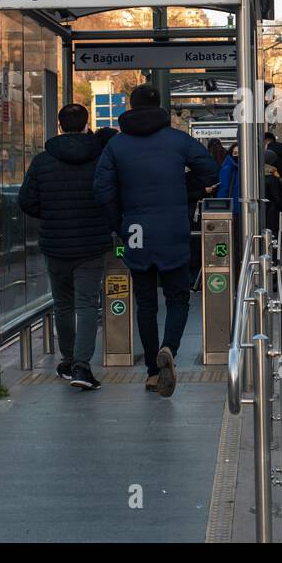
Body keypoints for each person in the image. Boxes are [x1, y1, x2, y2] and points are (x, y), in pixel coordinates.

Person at [94, 84, 218, 397]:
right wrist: (181, 187)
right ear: (159, 105)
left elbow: (103, 190)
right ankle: (169, 348)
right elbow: (209, 170)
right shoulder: (178, 140)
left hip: (135, 232)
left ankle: (152, 371)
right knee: (178, 298)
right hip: (173, 231)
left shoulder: (117, 146)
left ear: (131, 107)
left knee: (146, 304)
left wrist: (119, 223)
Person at [19, 103, 112, 390]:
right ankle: (82, 368)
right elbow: (111, 194)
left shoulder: (42, 161)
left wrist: (51, 216)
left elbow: (26, 201)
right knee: (86, 304)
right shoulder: (101, 158)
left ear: (59, 127)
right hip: (91, 243)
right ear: (87, 125)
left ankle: (69, 360)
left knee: (63, 304)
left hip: (55, 243)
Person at [217, 142, 241, 216]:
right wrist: (222, 208)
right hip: (233, 208)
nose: (237, 155)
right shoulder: (227, 168)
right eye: (235, 153)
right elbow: (223, 189)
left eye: (239, 153)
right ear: (231, 154)